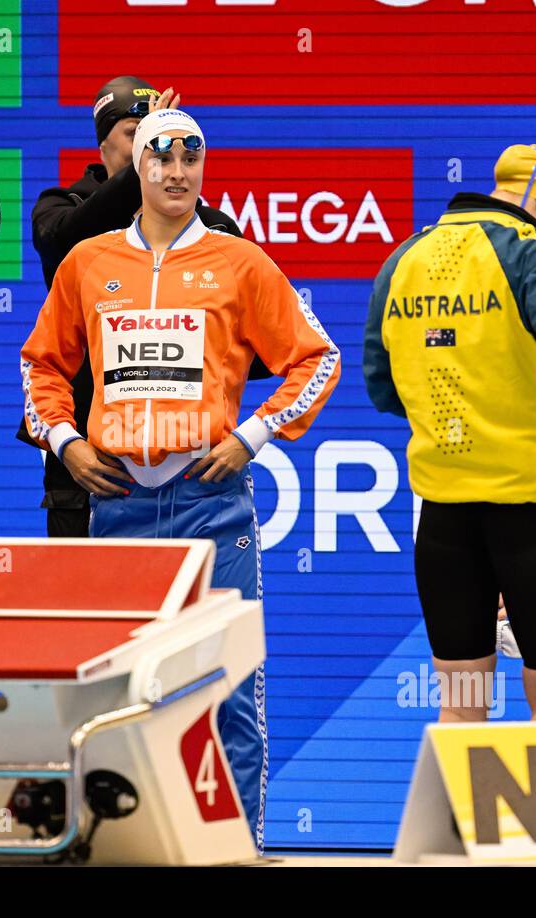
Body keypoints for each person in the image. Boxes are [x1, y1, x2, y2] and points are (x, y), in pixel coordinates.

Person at [21, 108, 341, 851]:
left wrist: (253, 436)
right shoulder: (88, 261)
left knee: (228, 692)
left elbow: (315, 357)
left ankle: (239, 851)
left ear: (204, 166)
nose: (175, 172)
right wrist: (66, 442)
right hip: (118, 504)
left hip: (211, 507)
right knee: (120, 697)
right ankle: (129, 848)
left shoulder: (239, 260)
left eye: (190, 158)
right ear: (136, 169)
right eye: (160, 158)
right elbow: (41, 363)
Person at [364, 144, 536, 723]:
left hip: (444, 520)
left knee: (461, 709)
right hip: (531, 516)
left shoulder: (405, 255)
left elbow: (382, 389)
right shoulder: (533, 253)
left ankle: (464, 820)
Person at [21, 76, 262, 537]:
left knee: (197, 608)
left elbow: (255, 348)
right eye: (139, 135)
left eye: (172, 147)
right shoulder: (62, 207)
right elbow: (65, 243)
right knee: (94, 604)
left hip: (188, 470)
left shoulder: (211, 230)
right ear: (103, 141)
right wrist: (65, 443)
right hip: (86, 460)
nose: (159, 154)